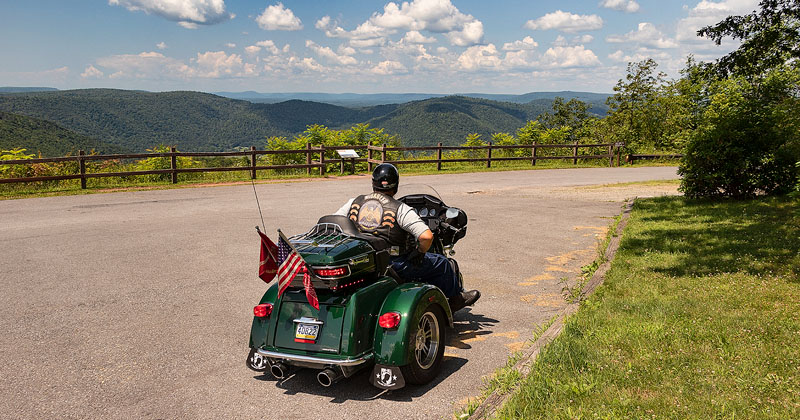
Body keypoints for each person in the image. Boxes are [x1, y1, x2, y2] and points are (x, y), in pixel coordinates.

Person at [334, 163, 480, 312]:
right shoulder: (400, 209)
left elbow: (333, 222)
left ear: (373, 183)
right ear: (396, 185)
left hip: (362, 261)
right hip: (393, 263)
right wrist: (419, 252)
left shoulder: (354, 202)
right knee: (442, 263)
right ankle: (456, 300)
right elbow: (426, 237)